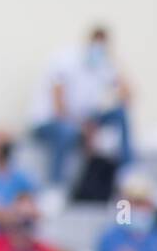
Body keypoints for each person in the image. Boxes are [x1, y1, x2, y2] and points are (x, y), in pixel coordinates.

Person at [29, 26, 133, 186]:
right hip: (48, 123)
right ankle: (55, 185)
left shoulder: (103, 65)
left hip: (81, 122)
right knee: (66, 131)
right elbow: (59, 109)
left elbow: (128, 97)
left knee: (119, 115)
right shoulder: (66, 60)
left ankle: (127, 172)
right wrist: (83, 129)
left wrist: (116, 65)